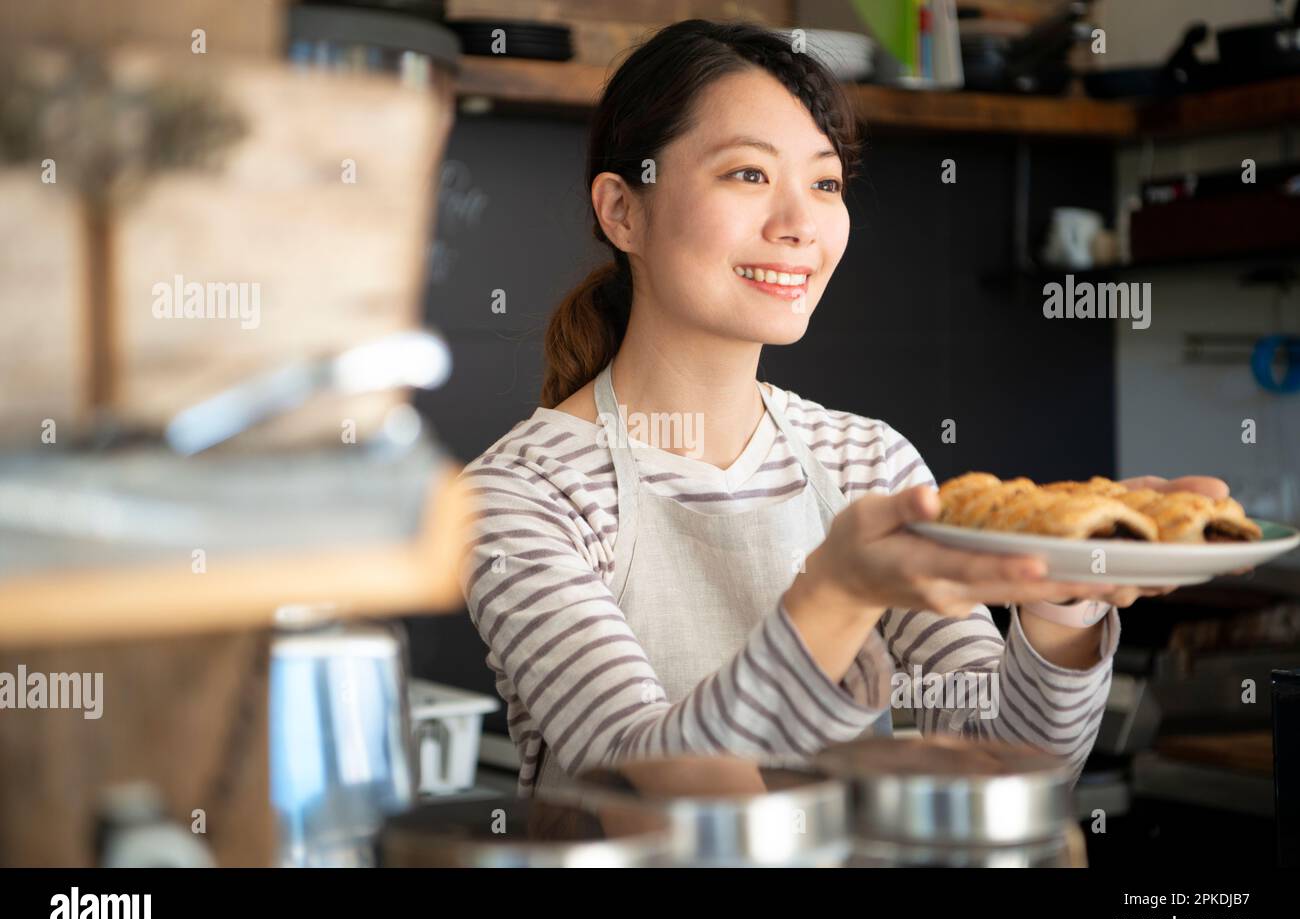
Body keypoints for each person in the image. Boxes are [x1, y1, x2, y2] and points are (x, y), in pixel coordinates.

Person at [457, 20, 1231, 797]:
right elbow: (651, 784)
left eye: (825, 184)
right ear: (623, 211)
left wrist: (1068, 586)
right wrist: (836, 596)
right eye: (748, 175)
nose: (799, 224)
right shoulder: (522, 496)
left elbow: (1002, 763)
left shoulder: (867, 462)